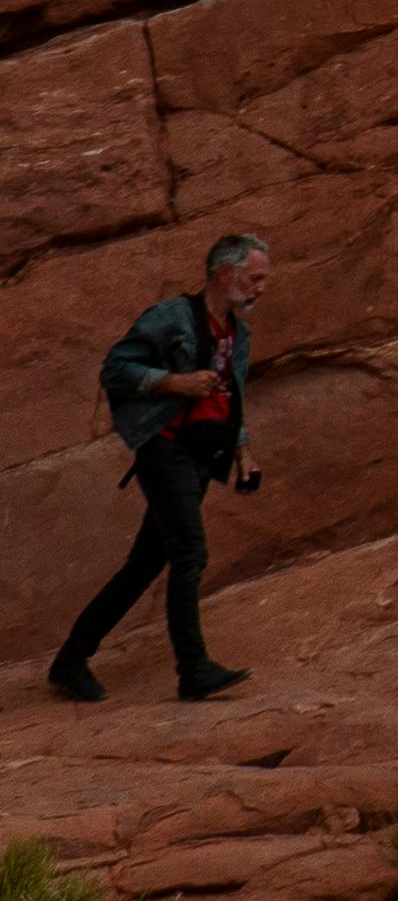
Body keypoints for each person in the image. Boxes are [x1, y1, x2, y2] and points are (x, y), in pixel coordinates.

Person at [52, 233, 269, 704]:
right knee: (190, 554)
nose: (261, 288)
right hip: (165, 450)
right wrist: (175, 381)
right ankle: (193, 669)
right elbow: (115, 369)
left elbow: (234, 398)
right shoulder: (172, 317)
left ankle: (71, 659)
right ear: (224, 274)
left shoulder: (239, 334)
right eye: (255, 278)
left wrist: (243, 451)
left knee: (144, 566)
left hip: (201, 456)